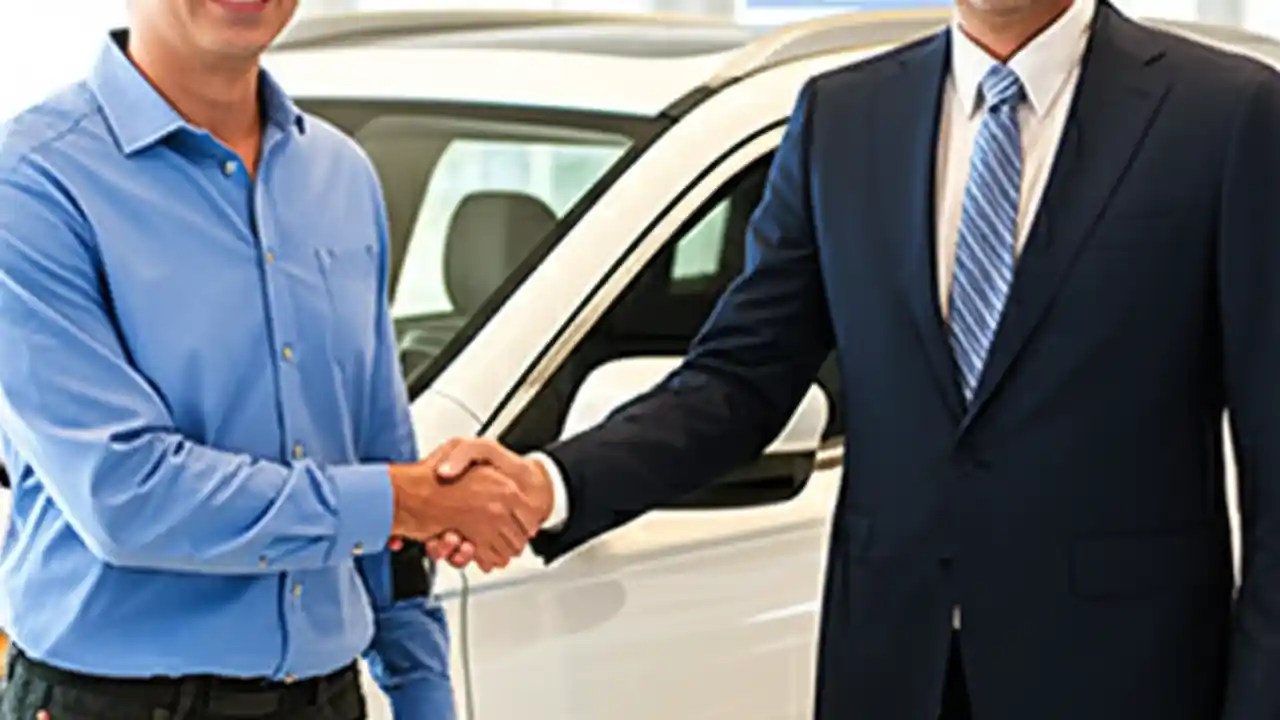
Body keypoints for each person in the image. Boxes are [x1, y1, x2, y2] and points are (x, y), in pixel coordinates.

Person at [425, 0, 1280, 717]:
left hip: (1126, 679)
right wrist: (548, 485)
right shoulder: (845, 116)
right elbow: (737, 381)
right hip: (888, 667)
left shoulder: (1226, 117)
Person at [0, 1, 546, 718]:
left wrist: (422, 694)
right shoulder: (32, 183)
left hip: (326, 699)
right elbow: (126, 493)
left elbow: (378, 449)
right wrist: (408, 499)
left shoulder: (341, 176)